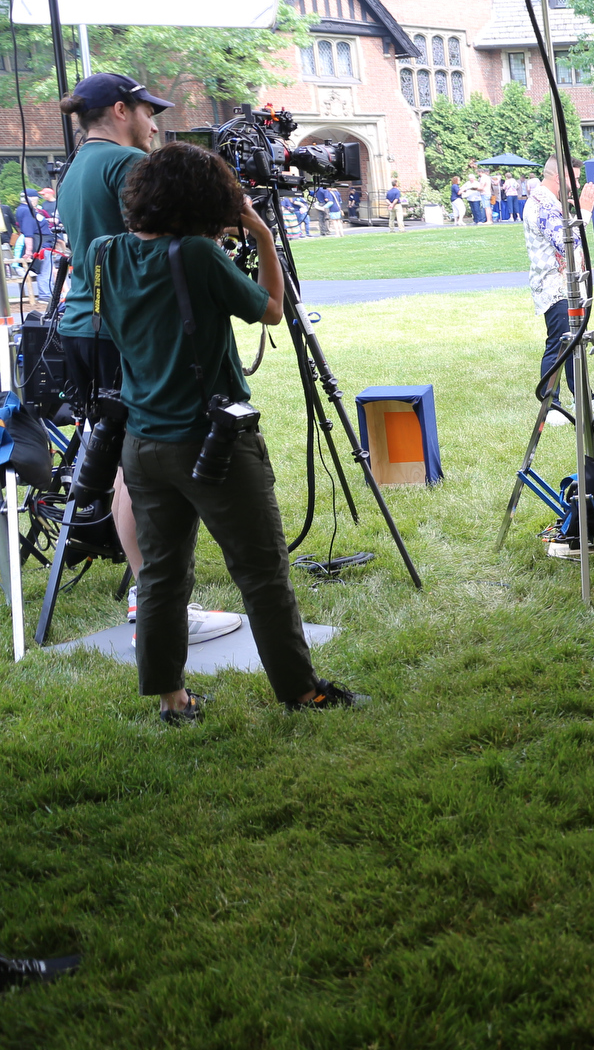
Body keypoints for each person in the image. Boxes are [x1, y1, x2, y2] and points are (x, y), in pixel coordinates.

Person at [82, 142, 365, 724]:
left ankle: (173, 701)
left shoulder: (102, 252)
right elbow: (271, 309)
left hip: (142, 444)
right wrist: (261, 235)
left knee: (160, 577)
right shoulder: (198, 255)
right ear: (208, 200)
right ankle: (301, 691)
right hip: (212, 443)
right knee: (262, 573)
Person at [55, 73, 241, 643]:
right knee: (138, 471)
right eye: (147, 112)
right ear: (120, 110)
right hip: (119, 331)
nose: (154, 125)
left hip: (82, 326)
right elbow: (160, 237)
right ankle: (155, 603)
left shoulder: (74, 169)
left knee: (123, 463)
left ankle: (151, 598)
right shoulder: (126, 164)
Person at [523, 156, 594, 419]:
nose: (577, 185)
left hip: (566, 286)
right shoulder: (543, 204)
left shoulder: (552, 202)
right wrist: (585, 212)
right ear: (560, 177)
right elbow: (566, 243)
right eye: (575, 178)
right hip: (556, 288)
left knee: (574, 344)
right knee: (560, 345)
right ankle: (551, 407)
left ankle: (583, 399)